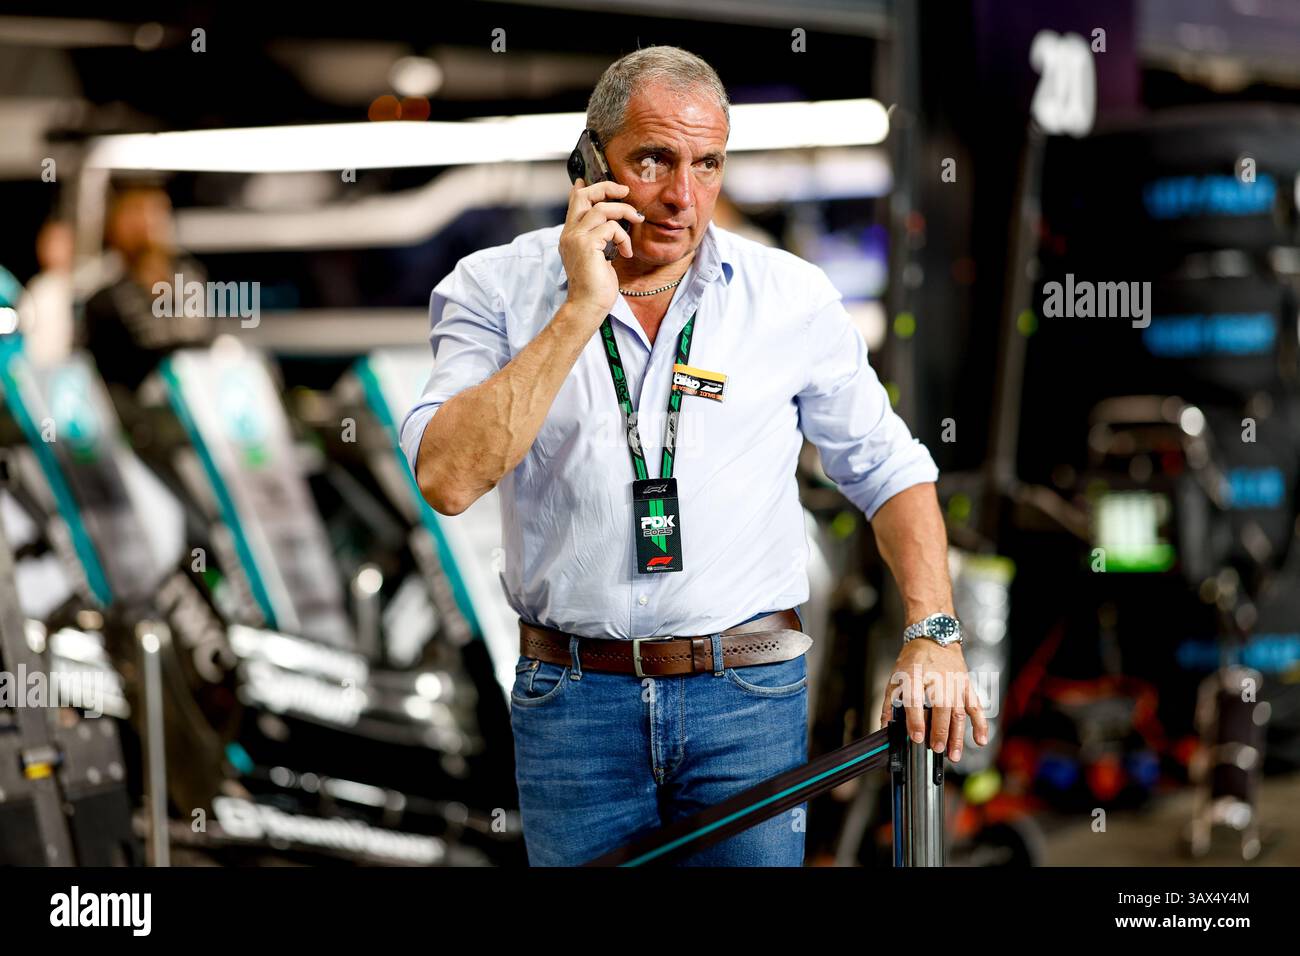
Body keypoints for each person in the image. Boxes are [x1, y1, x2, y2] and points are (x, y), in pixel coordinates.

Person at [400, 45, 988, 866]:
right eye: (654, 160)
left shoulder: (788, 297)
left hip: (745, 696)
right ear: (590, 160)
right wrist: (579, 311)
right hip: (574, 704)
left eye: (707, 164)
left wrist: (932, 630)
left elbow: (891, 470)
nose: (684, 195)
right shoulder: (493, 290)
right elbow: (448, 476)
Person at [81, 184, 210, 393]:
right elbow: (101, 381)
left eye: (155, 212)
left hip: (194, 399)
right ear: (116, 225)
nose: (147, 225)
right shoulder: (103, 299)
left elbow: (202, 345)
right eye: (136, 214)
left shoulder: (191, 278)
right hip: (138, 412)